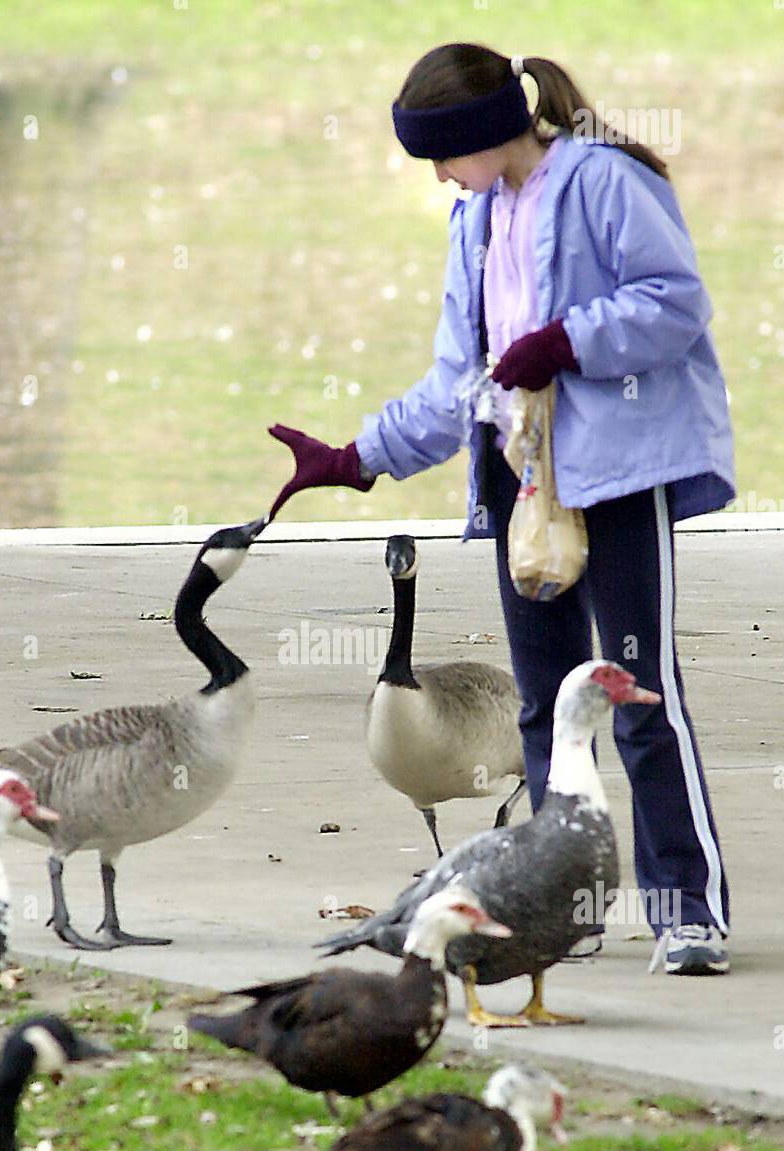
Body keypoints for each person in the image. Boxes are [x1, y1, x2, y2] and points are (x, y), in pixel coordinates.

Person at [267, 43, 735, 977]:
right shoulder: (471, 218)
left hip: (615, 478)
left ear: (485, 132)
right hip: (516, 489)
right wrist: (358, 458)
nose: (439, 176)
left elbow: (674, 302)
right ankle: (566, 910)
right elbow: (459, 381)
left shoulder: (604, 182)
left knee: (640, 701)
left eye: (442, 155)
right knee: (542, 709)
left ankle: (688, 913)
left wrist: (564, 340)